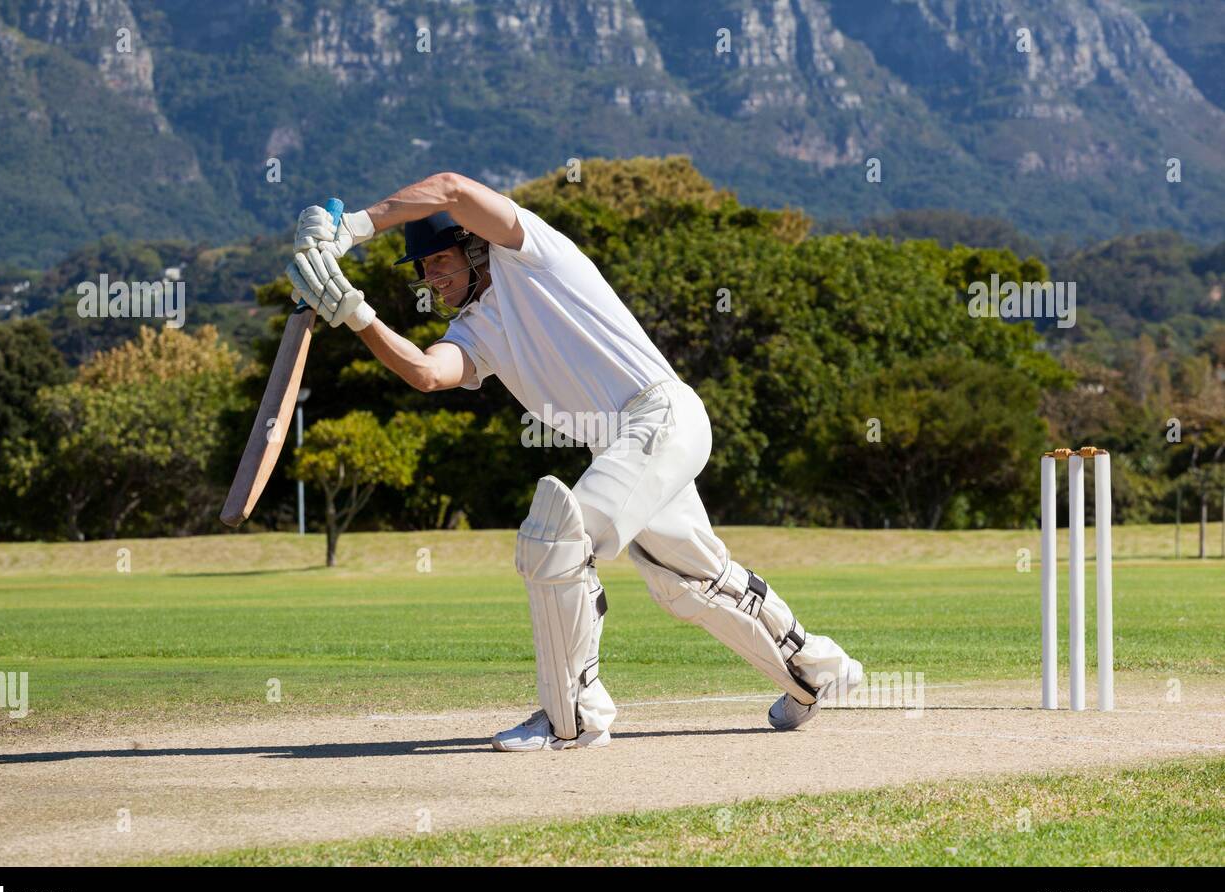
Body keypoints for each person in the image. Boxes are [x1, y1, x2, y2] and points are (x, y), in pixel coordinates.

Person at [287, 172, 863, 752]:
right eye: (423, 267)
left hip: (659, 415)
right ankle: (814, 668)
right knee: (690, 582)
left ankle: (573, 717)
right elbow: (426, 373)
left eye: (438, 259)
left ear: (473, 244)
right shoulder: (477, 328)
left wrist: (351, 229)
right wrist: (355, 313)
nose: (430, 276)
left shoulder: (531, 256)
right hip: (629, 444)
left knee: (557, 541)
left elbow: (453, 188)